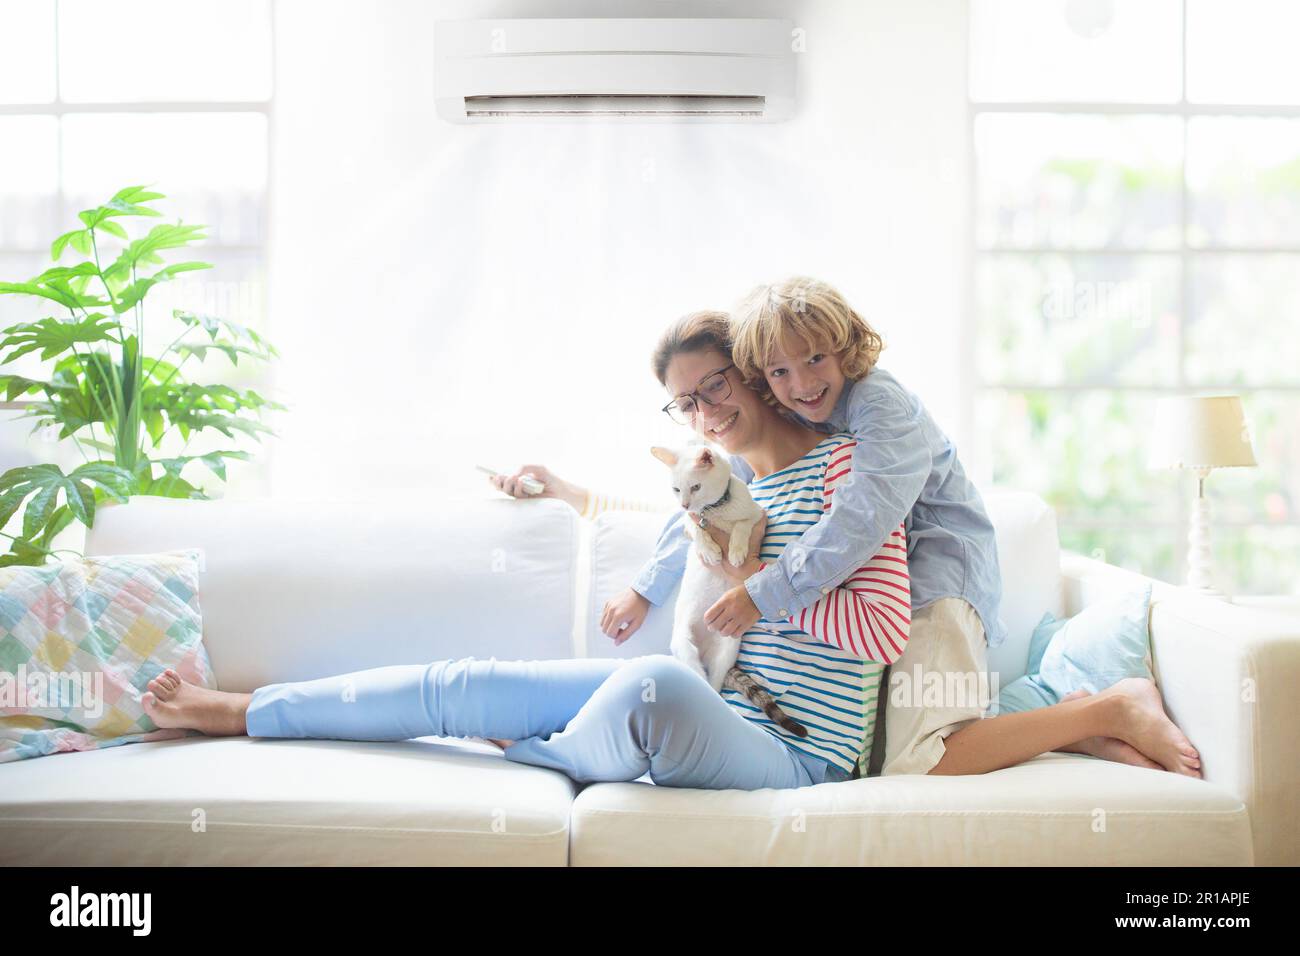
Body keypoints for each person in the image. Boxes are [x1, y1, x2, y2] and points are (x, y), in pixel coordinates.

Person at [140, 312, 911, 791]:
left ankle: (548, 755)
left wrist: (755, 581)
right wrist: (570, 495)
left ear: (756, 374)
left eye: (719, 385)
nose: (706, 414)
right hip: (717, 708)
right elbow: (671, 523)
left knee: (651, 686)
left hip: (799, 752)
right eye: (687, 402)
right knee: (475, 678)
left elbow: (885, 632)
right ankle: (251, 712)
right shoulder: (731, 480)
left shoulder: (850, 469)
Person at [603, 278, 1202, 778]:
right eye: (781, 370)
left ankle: (1110, 709)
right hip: (887, 586)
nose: (803, 381)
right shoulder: (794, 405)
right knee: (895, 749)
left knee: (922, 759)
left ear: (849, 347)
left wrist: (764, 591)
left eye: (816, 359)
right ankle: (1073, 726)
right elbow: (707, 494)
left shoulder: (881, 408)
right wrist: (645, 586)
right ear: (763, 376)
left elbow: (861, 519)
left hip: (939, 578)